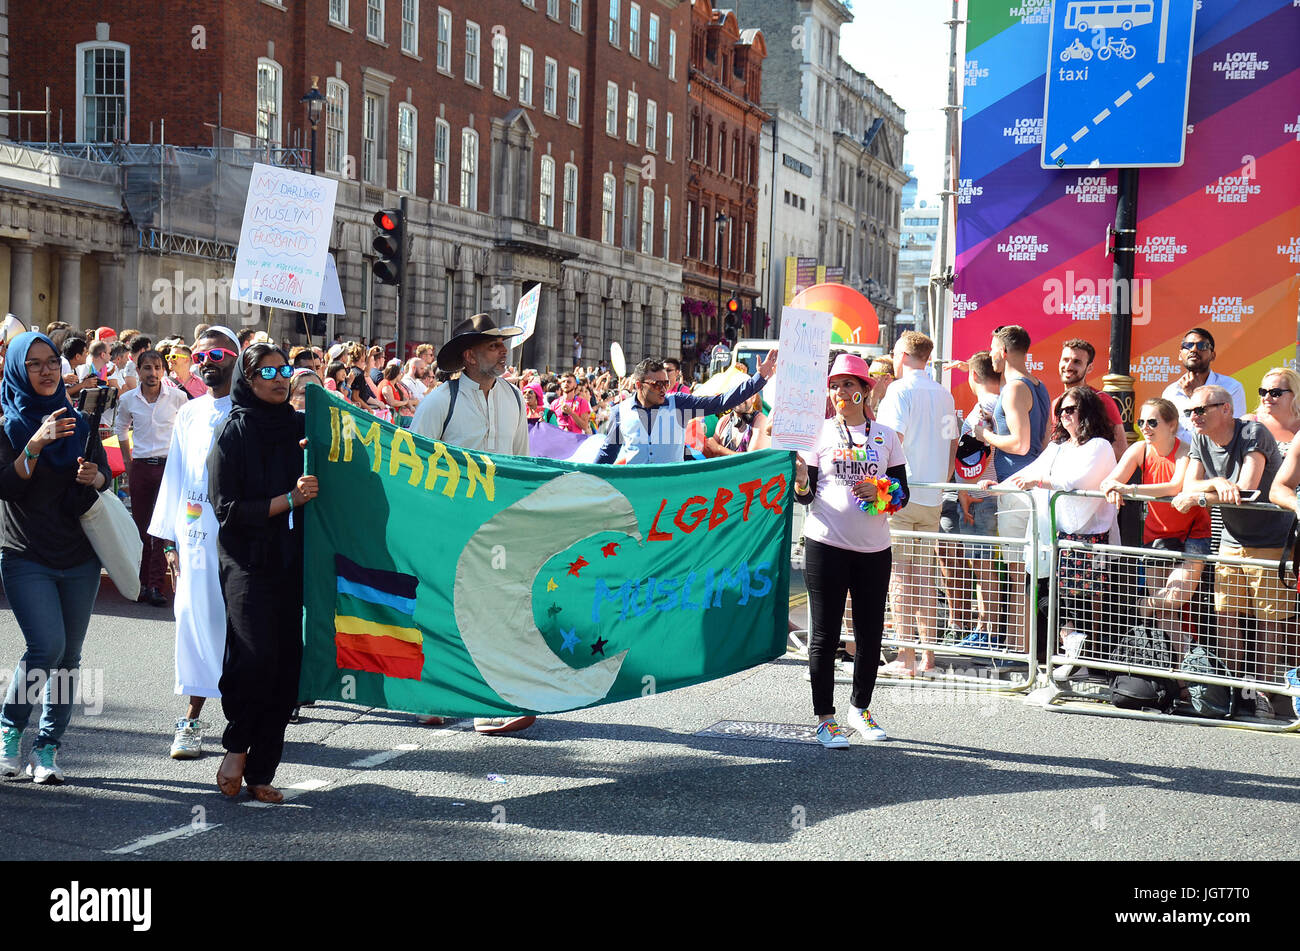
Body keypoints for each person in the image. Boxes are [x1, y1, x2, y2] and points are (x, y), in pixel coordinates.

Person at [410, 315, 534, 733]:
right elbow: (413, 464)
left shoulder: (515, 398)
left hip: (496, 525)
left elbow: (520, 462)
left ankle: (489, 704)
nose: (504, 351)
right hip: (446, 525)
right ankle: (431, 696)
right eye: (495, 345)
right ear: (470, 355)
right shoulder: (438, 402)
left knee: (493, 609)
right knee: (441, 609)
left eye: (503, 344)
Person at [0, 332, 113, 784]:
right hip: (26, 553)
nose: (47, 371)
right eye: (34, 364)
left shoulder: (78, 421)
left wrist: (96, 476)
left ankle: (47, 749)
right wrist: (36, 443)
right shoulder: (7, 422)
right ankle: (10, 732)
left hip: (79, 556)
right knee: (46, 646)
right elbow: (7, 486)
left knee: (69, 657)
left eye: (52, 362)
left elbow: (105, 478)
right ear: (15, 370)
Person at [208, 343, 317, 803]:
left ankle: (262, 770)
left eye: (284, 370)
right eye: (266, 371)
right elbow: (226, 509)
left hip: (292, 559)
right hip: (246, 562)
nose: (278, 378)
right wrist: (289, 500)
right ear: (247, 379)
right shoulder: (231, 432)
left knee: (286, 664)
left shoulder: (298, 426)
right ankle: (236, 748)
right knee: (254, 659)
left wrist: (326, 446)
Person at [794, 353, 910, 748]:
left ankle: (860, 709)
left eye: (848, 385)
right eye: (834, 385)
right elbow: (805, 497)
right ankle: (825, 719)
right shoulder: (818, 433)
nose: (840, 392)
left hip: (874, 548)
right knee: (825, 636)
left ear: (866, 390)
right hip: (826, 542)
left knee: (870, 634)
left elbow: (902, 494)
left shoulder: (887, 436)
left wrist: (880, 493)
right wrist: (798, 481)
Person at [147, 327, 241, 760]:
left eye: (218, 353)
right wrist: (171, 543)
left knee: (242, 631)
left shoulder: (253, 410)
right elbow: (177, 479)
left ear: (236, 359)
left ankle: (248, 724)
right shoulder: (189, 413)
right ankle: (191, 719)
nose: (208, 360)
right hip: (197, 538)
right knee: (192, 622)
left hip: (245, 541)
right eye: (200, 354)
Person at [1174, 385, 1290, 719]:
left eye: (1201, 410)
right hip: (1229, 539)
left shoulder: (1253, 431)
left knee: (1269, 622)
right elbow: (1189, 484)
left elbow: (1247, 489)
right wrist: (1216, 483)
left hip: (1268, 540)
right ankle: (1234, 692)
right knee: (1226, 617)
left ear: (1226, 409)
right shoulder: (1200, 438)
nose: (1194, 417)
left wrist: (1203, 495)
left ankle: (1267, 693)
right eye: (1190, 412)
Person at [991, 387, 1117, 679]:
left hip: (1084, 540)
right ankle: (1068, 656)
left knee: (1079, 603)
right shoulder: (1058, 446)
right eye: (1061, 410)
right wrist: (994, 487)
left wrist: (1041, 480)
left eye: (1070, 409)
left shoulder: (1100, 446)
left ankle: (1082, 663)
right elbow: (1029, 471)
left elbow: (1075, 481)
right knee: (1048, 597)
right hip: (1051, 537)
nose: (1064, 415)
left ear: (1087, 411)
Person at [1093, 398, 1210, 677]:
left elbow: (1175, 486)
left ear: (1172, 426)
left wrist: (1128, 489)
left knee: (1175, 596)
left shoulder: (1187, 451)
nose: (1145, 427)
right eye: (1141, 422)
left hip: (1193, 534)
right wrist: (1112, 488)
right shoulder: (1139, 449)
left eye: (1153, 422)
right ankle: (1182, 674)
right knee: (1166, 613)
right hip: (1156, 535)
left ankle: (1143, 605)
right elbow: (1110, 480)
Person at [875, 331, 958, 676]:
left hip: (903, 494)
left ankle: (906, 657)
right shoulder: (944, 393)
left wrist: (882, 488)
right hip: (932, 494)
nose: (893, 359)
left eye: (895, 353)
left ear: (905, 354)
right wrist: (941, 480)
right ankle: (927, 657)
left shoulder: (899, 390)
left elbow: (891, 441)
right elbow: (952, 444)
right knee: (923, 577)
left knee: (901, 576)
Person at [972, 325, 1051, 653]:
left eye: (993, 349)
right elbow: (1043, 441)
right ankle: (1025, 649)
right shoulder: (1040, 386)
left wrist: (984, 435)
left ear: (1004, 352)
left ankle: (1020, 650)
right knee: (1027, 574)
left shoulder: (1015, 389)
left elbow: (1020, 445)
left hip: (1018, 491)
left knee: (1019, 574)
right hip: (1028, 487)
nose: (990, 355)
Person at [596, 352, 777, 464]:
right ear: (638, 385)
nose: (663, 389)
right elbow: (607, 454)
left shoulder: (679, 405)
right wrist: (581, 479)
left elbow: (720, 402)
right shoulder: (620, 412)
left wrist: (758, 379)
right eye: (656, 384)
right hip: (636, 495)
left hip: (671, 495)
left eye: (665, 383)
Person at [115, 348, 190, 607]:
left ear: (164, 371)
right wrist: (127, 461)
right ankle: (141, 583)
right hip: (141, 468)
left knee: (162, 528)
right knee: (142, 528)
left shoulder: (178, 397)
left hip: (170, 468)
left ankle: (156, 585)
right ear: (138, 371)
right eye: (147, 368)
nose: (153, 373)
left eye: (158, 368)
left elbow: (189, 426)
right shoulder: (128, 400)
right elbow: (120, 428)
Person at [937, 351, 1001, 641]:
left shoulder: (980, 412)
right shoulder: (1002, 404)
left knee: (982, 565)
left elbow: (969, 461)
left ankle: (985, 628)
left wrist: (963, 490)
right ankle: (988, 628)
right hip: (993, 492)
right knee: (990, 564)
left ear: (973, 377)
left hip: (978, 495)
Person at [1162, 328, 1247, 440]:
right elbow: (1164, 434)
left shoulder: (1231, 388)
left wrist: (1196, 394)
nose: (1194, 349)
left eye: (1202, 345)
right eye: (1188, 345)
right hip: (1180, 456)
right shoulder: (1170, 392)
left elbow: (1232, 433)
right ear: (1180, 355)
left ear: (1213, 355)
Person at [1053, 339, 1127, 461]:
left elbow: (1120, 450)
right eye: (1065, 360)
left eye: (1077, 362)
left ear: (1089, 368)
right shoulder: (1056, 403)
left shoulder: (1102, 400)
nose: (1069, 366)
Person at [1245, 367, 1300, 455]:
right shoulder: (1249, 423)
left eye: (1275, 392)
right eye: (1263, 392)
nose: (1266, 397)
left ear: (1295, 394)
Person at [379, 361, 416, 427]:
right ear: (395, 374)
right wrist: (404, 403)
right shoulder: (386, 385)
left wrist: (410, 407)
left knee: (416, 421)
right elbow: (392, 402)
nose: (402, 375)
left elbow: (404, 398)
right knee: (414, 423)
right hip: (389, 418)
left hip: (397, 417)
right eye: (400, 373)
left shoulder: (395, 385)